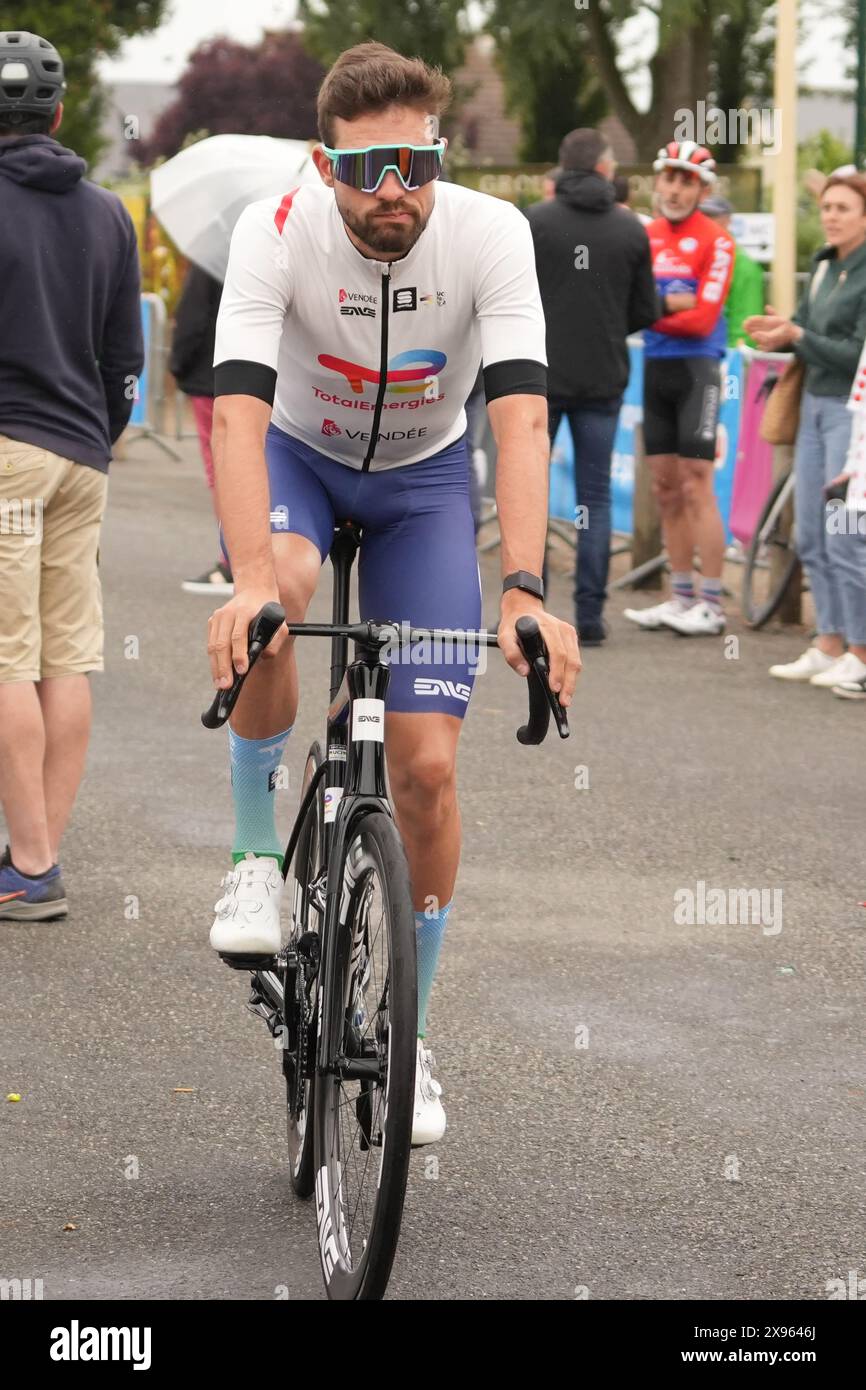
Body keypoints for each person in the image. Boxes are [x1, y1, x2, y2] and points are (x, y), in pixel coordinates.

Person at [206, 43, 579, 1144]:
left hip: (423, 484)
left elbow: (519, 416)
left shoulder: (491, 235)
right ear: (326, 169)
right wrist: (243, 581)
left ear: (437, 155)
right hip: (298, 463)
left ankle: (407, 1031)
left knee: (423, 767)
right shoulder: (274, 228)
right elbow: (234, 415)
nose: (392, 191)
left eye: (413, 163)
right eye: (366, 169)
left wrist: (523, 588)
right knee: (284, 592)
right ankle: (251, 859)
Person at [0, 31, 143, 922]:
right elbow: (125, 362)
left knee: (5, 656)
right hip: (81, 455)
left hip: (7, 454)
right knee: (65, 657)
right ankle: (32, 853)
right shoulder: (107, 214)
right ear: (57, 115)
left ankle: (33, 861)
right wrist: (95, 434)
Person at [526, 128, 658, 644]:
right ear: (605, 170)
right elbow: (645, 310)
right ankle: (590, 616)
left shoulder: (535, 222)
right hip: (603, 379)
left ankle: (529, 609)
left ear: (562, 167)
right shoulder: (631, 230)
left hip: (540, 376)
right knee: (595, 499)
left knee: (530, 493)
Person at [745, 172, 866, 692]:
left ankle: (859, 652)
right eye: (827, 207)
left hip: (851, 410)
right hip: (814, 403)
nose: (832, 215)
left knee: (845, 533)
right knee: (812, 532)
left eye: (843, 207)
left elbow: (856, 353)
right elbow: (810, 332)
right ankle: (829, 642)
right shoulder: (822, 265)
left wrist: (800, 335)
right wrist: (785, 333)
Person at [624, 140, 735, 636]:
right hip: (656, 367)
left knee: (695, 481)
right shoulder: (644, 236)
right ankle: (680, 595)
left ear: (703, 188)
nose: (673, 189)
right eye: (668, 178)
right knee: (665, 488)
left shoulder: (717, 239)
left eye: (685, 181)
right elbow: (632, 305)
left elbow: (702, 318)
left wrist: (655, 310)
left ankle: (711, 604)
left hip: (698, 368)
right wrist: (671, 303)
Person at [169, 263, 233, 594]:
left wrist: (177, 366)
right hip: (263, 379)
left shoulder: (211, 257)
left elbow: (192, 320)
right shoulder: (275, 244)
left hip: (211, 378)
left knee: (222, 471)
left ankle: (231, 561)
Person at [701, 195, 763, 348]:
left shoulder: (744, 266)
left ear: (727, 221)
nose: (704, 222)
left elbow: (745, 330)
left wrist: (731, 369)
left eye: (711, 216)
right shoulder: (700, 257)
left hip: (724, 362)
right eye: (701, 216)